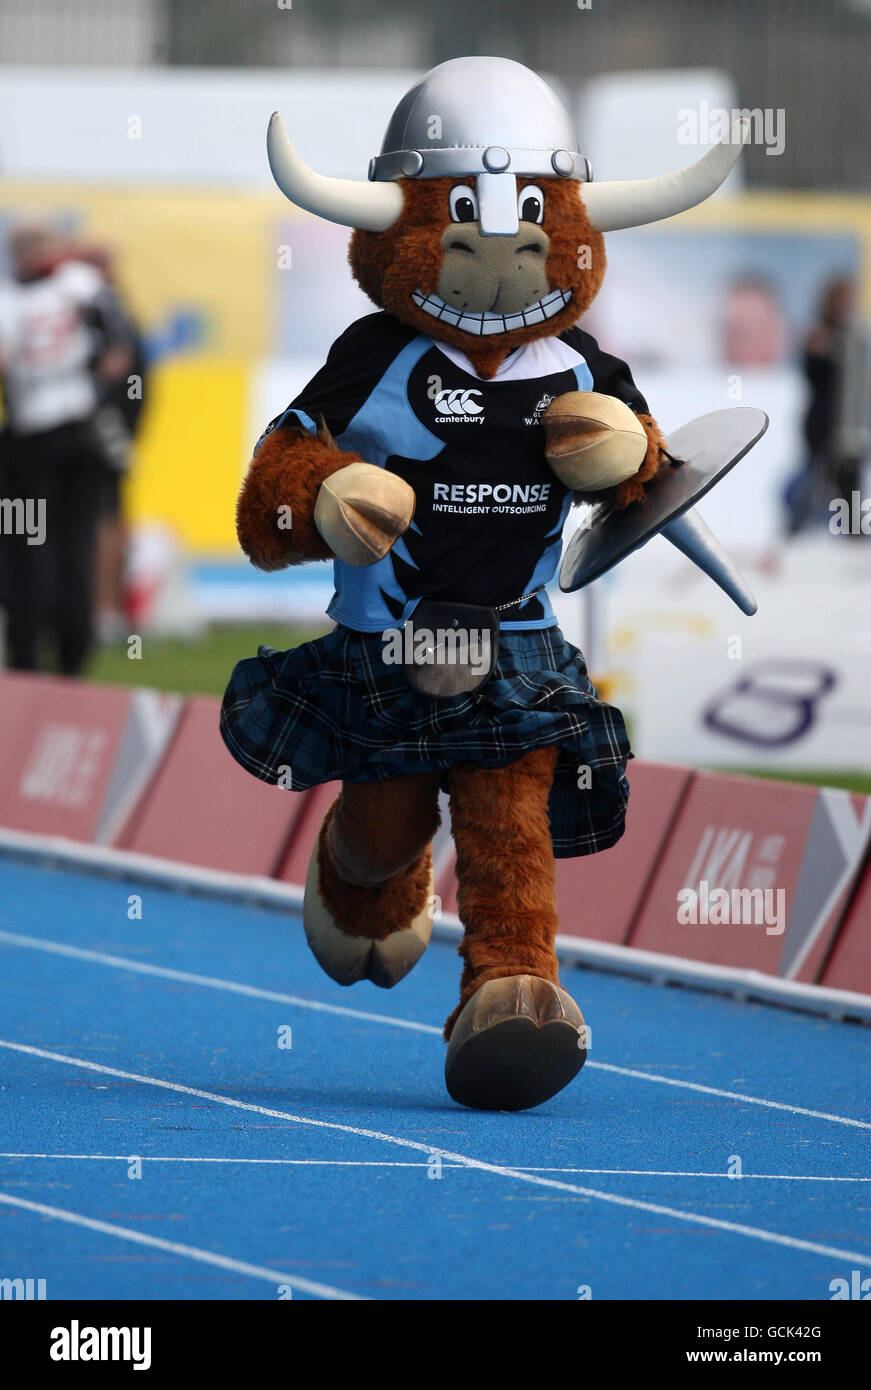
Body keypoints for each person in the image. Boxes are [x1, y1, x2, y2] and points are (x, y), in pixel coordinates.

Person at [0, 222, 132, 673]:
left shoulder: (14, 297)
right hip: (75, 433)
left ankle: (32, 656)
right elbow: (119, 352)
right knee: (67, 546)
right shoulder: (81, 284)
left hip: (35, 441)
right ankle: (68, 660)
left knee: (29, 543)